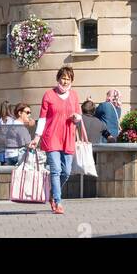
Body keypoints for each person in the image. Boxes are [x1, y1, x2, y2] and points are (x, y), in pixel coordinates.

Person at [29, 65, 83, 214]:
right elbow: (42, 118)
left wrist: (76, 118)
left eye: (68, 79)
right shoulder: (48, 95)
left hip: (68, 137)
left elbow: (78, 115)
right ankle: (58, 202)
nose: (65, 81)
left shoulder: (74, 95)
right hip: (51, 136)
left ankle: (52, 193)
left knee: (66, 171)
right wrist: (37, 137)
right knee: (56, 171)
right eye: (63, 78)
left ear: (71, 80)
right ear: (58, 78)